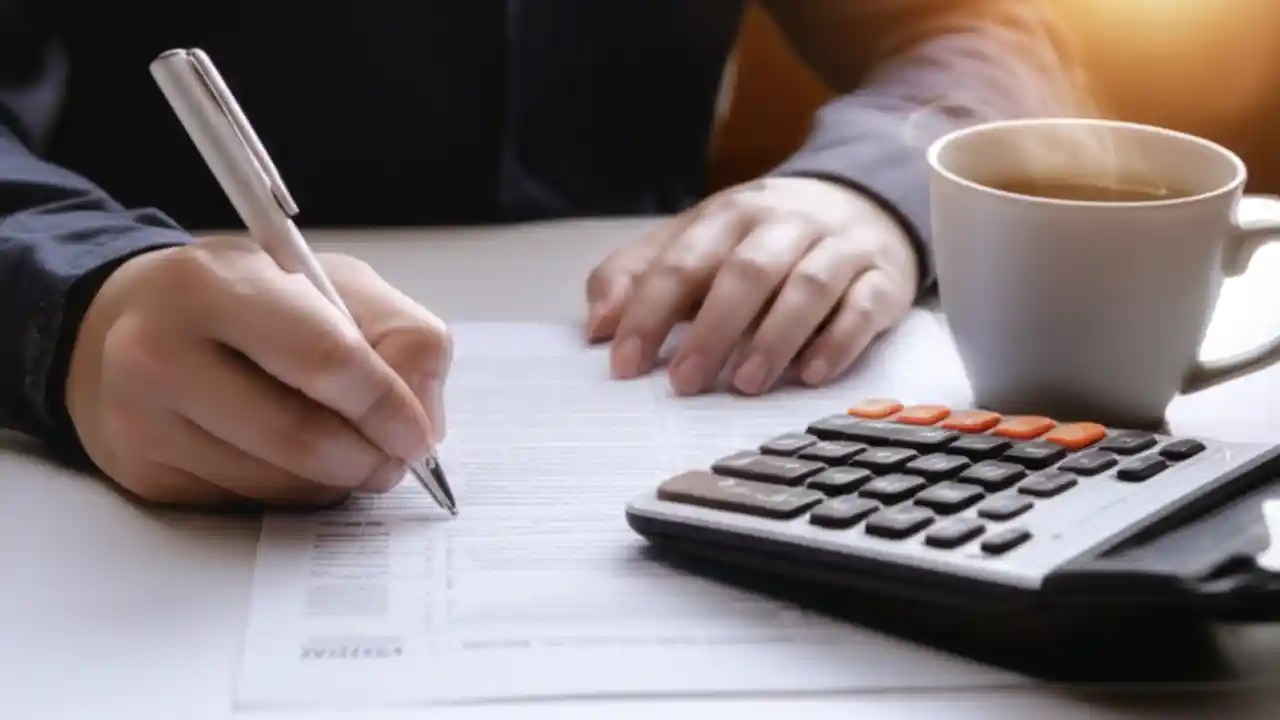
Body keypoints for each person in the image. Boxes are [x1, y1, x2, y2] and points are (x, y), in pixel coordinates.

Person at [0, 1, 1088, 507]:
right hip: (129, 432)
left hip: (659, 357)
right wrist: (78, 295)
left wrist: (870, 185)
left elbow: (978, 27)